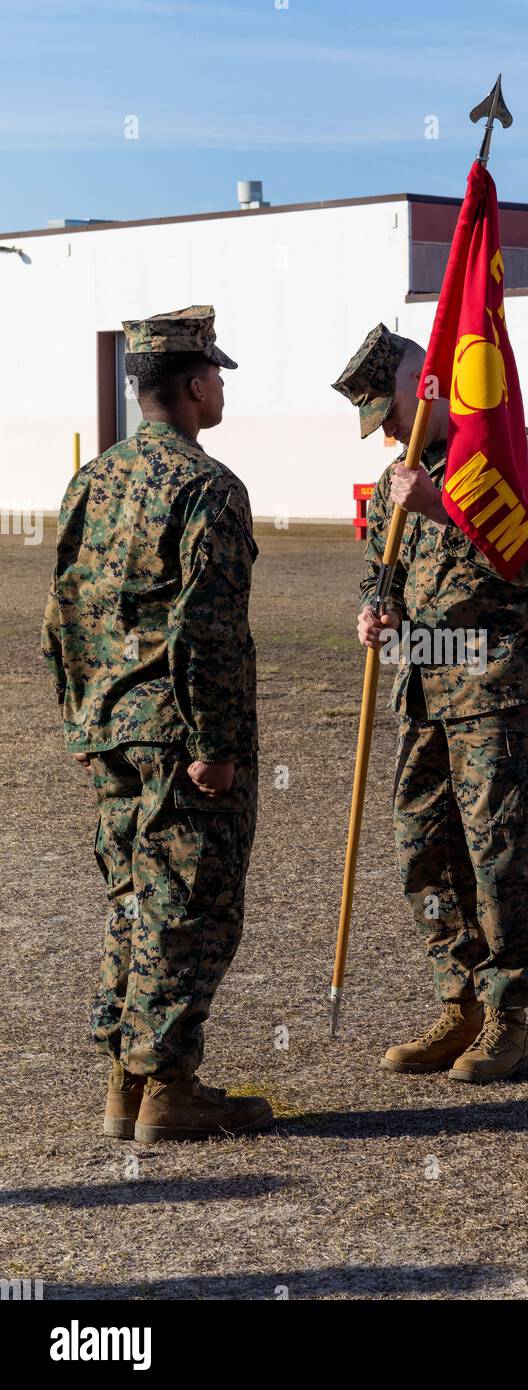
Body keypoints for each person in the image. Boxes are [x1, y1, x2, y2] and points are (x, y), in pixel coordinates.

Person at [41, 305, 272, 1144]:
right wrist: (215, 745)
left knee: (134, 900)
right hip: (177, 733)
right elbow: (205, 628)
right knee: (190, 908)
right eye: (216, 377)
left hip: (110, 728)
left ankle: (124, 1083)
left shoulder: (92, 480)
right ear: (194, 384)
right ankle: (168, 1087)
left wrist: (85, 715)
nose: (220, 390)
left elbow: (61, 614)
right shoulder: (208, 486)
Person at [333, 323, 528, 1082]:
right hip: (422, 691)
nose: (387, 432)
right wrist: (375, 610)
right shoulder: (403, 472)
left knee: (500, 858)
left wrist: (443, 507)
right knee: (425, 854)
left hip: (495, 692)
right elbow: (381, 573)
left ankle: (507, 1016)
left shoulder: (519, 456)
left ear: (421, 384)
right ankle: (457, 999)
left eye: (388, 412)